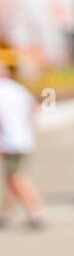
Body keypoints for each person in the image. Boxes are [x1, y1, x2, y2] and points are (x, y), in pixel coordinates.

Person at [0, 63, 47, 228]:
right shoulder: (17, 89)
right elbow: (34, 108)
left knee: (16, 178)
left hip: (9, 142)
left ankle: (36, 213)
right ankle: (6, 214)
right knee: (11, 177)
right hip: (24, 139)